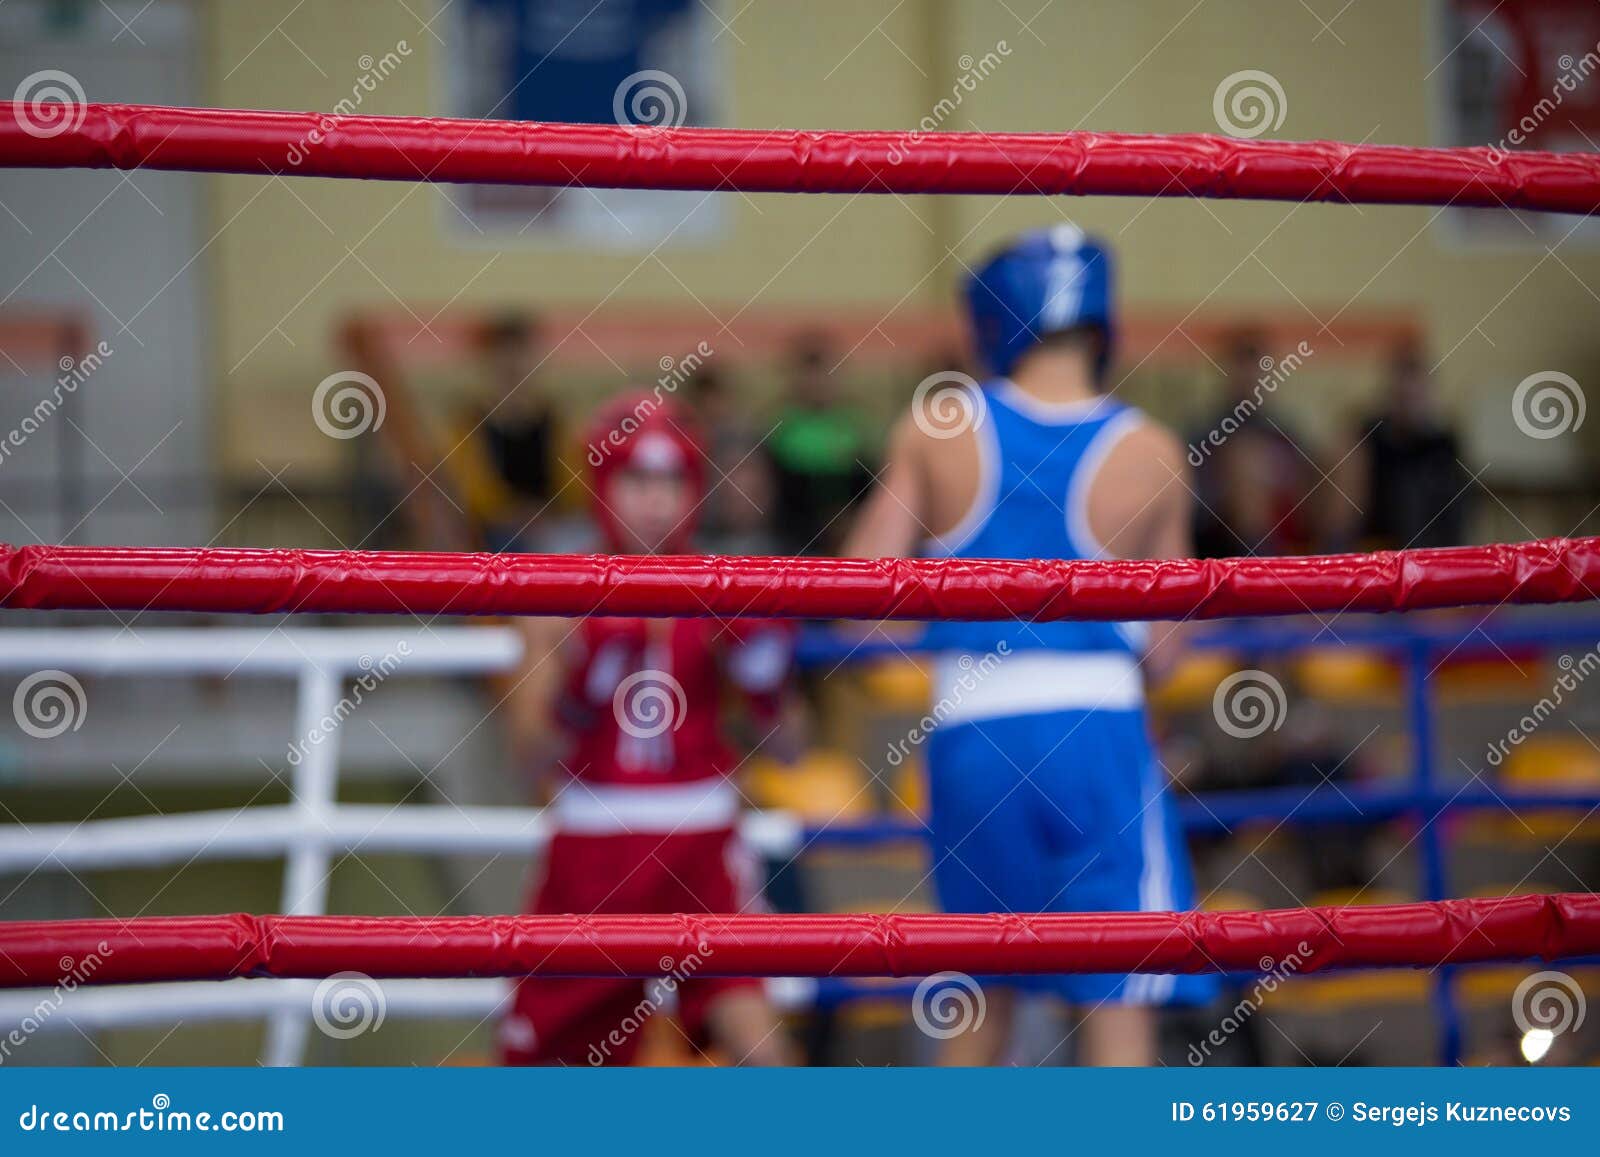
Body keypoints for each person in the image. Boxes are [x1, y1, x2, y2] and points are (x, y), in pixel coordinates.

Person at [843, 223, 1215, 1066]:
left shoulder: (939, 424)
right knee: (1115, 998)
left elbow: (858, 600)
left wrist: (958, 631)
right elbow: (1167, 650)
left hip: (972, 734)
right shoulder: (1151, 451)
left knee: (979, 997)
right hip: (1096, 735)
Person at [500, 392, 795, 1067]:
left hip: (703, 847)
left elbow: (792, 748)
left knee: (763, 1054)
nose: (657, 503)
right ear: (603, 483)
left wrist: (767, 683)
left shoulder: (726, 585)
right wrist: (581, 687)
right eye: (638, 480)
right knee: (545, 1074)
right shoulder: (551, 594)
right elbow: (523, 760)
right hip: (592, 854)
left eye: (673, 482)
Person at [767, 332, 875, 555]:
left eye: (825, 374)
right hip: (794, 535)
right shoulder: (782, 426)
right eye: (810, 374)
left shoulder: (853, 425)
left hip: (849, 531)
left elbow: (866, 486)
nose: (817, 383)